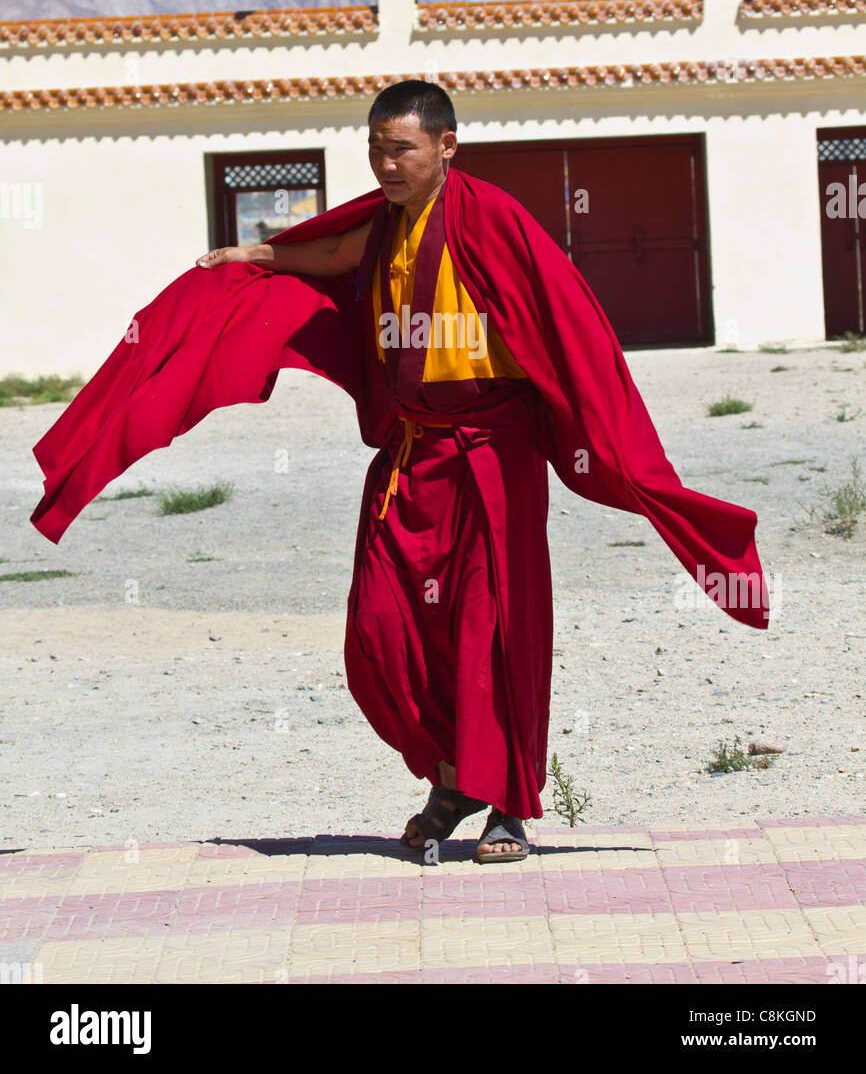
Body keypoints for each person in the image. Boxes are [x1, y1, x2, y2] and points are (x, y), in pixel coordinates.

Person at [31, 80, 770, 865]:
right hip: (414, 454)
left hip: (495, 453)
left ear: (446, 146)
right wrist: (257, 254)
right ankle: (453, 778)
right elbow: (335, 254)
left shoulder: (494, 220)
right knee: (383, 626)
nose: (384, 164)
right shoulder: (386, 222)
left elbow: (568, 327)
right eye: (376, 149)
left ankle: (508, 807)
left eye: (400, 150)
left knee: (497, 629)